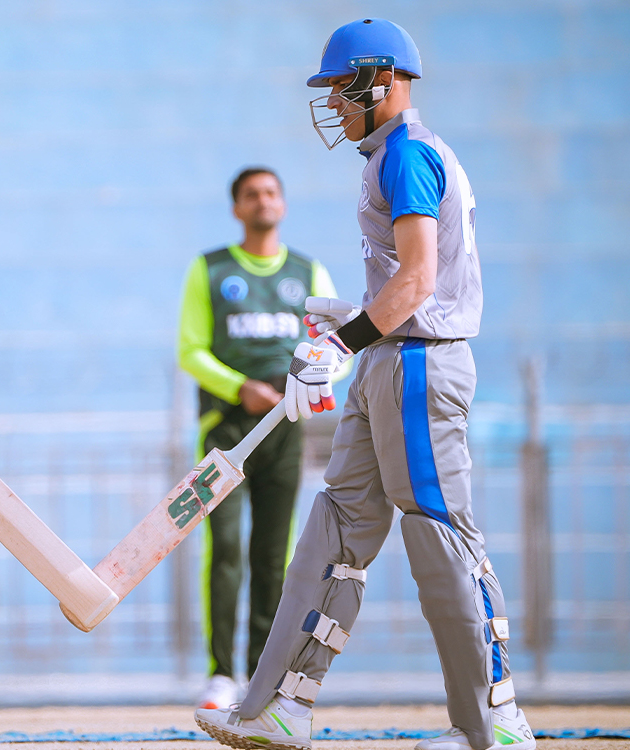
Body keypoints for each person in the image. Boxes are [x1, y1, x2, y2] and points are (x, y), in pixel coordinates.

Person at [194, 18, 536, 750]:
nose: (335, 107)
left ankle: (493, 724)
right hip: (393, 357)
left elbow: (417, 279)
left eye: (340, 92)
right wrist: (355, 322)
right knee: (339, 524)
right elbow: (408, 281)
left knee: (440, 534)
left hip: (418, 362)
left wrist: (346, 342)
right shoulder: (390, 156)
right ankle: (281, 705)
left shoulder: (408, 155)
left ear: (377, 80)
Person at [177, 167, 346, 710]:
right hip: (225, 432)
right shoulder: (210, 270)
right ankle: (221, 672)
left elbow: (338, 346)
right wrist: (239, 387)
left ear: (283, 204)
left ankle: (261, 671)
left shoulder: (307, 271)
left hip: (283, 430)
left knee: (273, 554)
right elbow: (190, 350)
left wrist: (312, 382)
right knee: (224, 547)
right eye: (252, 195)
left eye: (271, 192)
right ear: (237, 208)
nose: (263, 201)